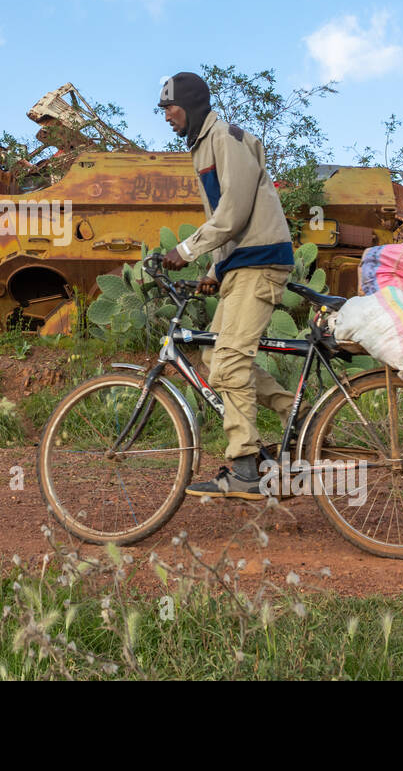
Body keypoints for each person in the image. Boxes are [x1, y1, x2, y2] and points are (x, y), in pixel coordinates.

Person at [158, 72, 296, 499]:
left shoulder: (228, 139)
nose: (166, 117)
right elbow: (230, 220)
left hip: (261, 262)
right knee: (214, 354)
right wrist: (216, 272)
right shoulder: (204, 146)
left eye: (170, 108)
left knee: (229, 363)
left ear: (191, 104)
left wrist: (186, 250)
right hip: (242, 264)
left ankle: (245, 468)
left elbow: (233, 213)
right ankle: (297, 413)